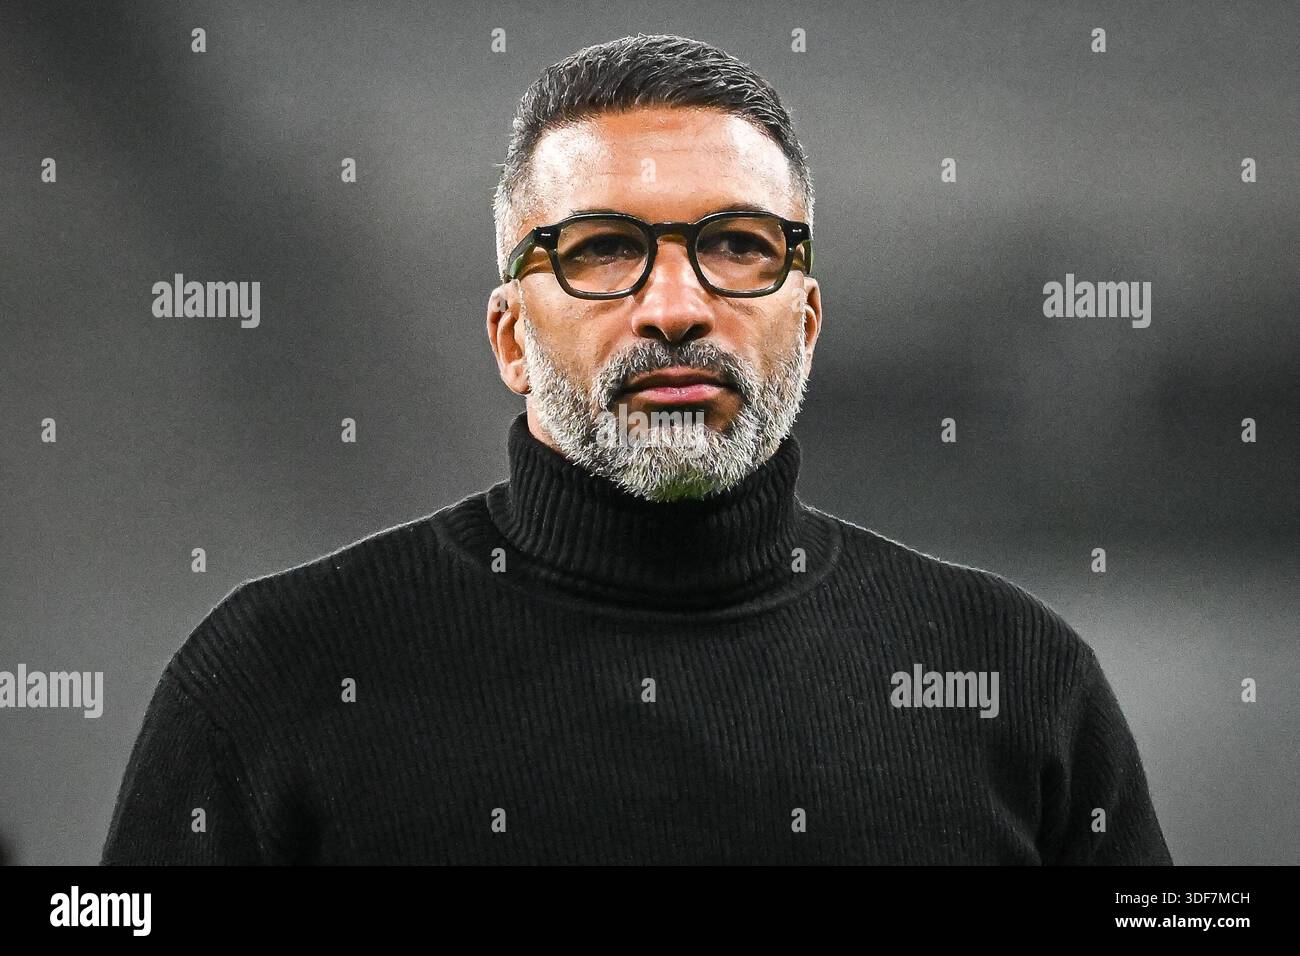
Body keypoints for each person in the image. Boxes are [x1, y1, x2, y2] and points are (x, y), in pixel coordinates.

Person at [102, 33, 1172, 865]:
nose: (675, 306)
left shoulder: (1015, 679)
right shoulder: (269, 675)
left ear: (803, 323)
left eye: (737, 247)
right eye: (603, 248)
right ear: (512, 336)